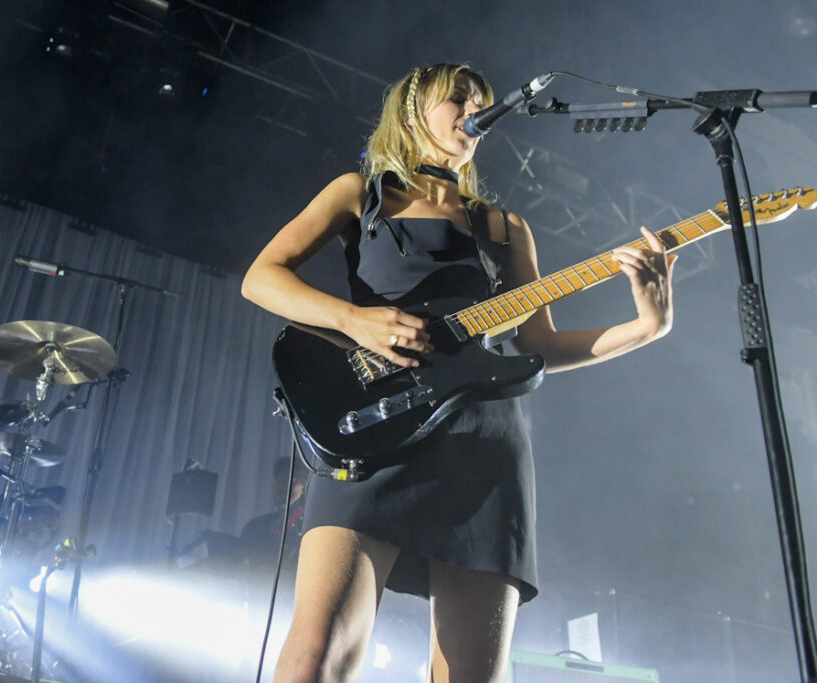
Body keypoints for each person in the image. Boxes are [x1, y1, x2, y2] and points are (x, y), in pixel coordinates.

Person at [240, 63, 677, 683]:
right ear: (414, 107)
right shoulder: (360, 195)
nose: (475, 111)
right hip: (375, 432)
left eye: (482, 102)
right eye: (460, 98)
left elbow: (540, 346)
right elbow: (262, 277)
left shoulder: (505, 229)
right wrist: (355, 320)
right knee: (317, 656)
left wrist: (646, 325)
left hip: (482, 446)